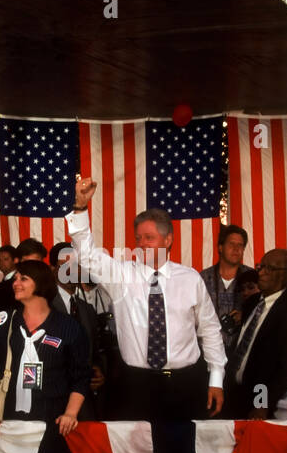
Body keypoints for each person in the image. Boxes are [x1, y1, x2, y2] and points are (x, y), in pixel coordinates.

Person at [66, 177, 226, 420]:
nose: (141, 244)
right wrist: (80, 207)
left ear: (168, 240)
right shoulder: (121, 276)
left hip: (186, 383)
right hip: (136, 386)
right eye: (138, 238)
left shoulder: (190, 279)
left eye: (149, 238)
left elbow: (210, 330)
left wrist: (216, 379)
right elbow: (87, 255)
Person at [0, 259, 90, 431]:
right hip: (6, 419)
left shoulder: (68, 327)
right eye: (15, 278)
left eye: (23, 278)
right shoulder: (5, 320)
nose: (15, 283)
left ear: (41, 283)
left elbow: (80, 376)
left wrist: (70, 413)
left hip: (51, 422)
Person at [224, 250, 287, 419]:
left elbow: (283, 366)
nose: (261, 273)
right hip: (233, 393)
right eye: (260, 266)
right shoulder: (251, 302)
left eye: (269, 268)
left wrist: (261, 403)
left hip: (258, 399)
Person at [50, 241, 106, 417]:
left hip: (85, 402)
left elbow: (95, 351)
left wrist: (98, 370)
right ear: (53, 269)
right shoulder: (44, 306)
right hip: (54, 402)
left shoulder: (86, 309)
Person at [200, 225, 255, 354]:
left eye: (240, 245)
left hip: (242, 351)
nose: (236, 249)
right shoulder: (202, 278)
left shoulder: (254, 278)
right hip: (208, 350)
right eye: (231, 244)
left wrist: (246, 316)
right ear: (220, 247)